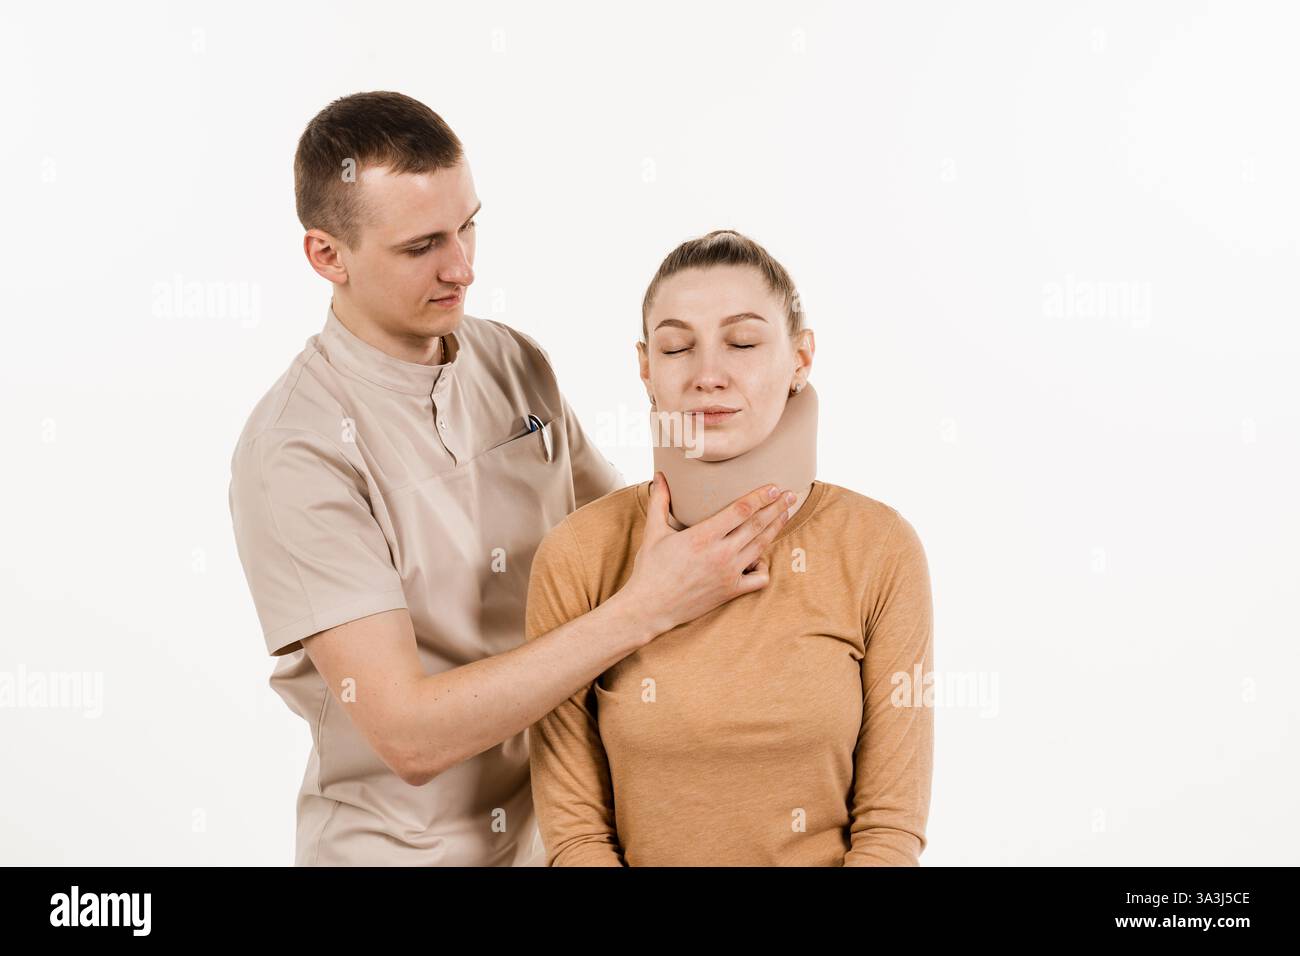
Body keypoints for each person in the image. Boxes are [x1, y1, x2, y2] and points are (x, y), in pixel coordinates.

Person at [227, 94, 795, 866]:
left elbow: (635, 532)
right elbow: (409, 734)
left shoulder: (510, 360)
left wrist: (742, 409)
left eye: (468, 226)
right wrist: (644, 611)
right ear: (328, 256)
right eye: (422, 244)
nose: (461, 266)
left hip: (562, 837)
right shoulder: (294, 451)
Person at [525, 229, 935, 865]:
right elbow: (576, 836)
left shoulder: (879, 549)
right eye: (676, 346)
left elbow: (890, 829)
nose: (708, 375)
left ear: (801, 358)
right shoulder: (578, 556)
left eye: (743, 343)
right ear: (644, 368)